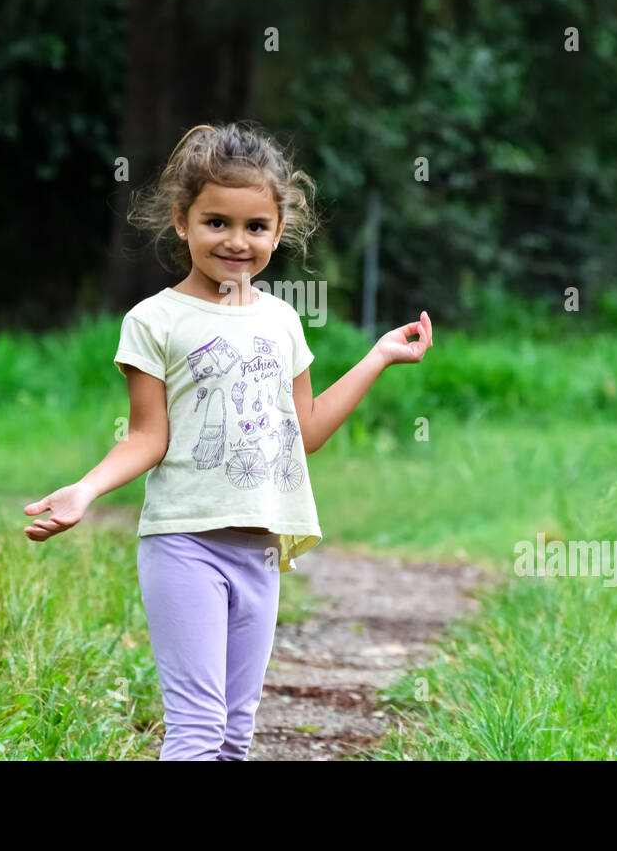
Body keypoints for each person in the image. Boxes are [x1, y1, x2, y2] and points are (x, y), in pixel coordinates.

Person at [23, 121, 433, 760]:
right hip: (184, 544)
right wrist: (87, 488)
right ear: (182, 221)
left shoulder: (282, 319)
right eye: (217, 222)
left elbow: (306, 433)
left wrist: (377, 357)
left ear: (278, 230)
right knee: (196, 730)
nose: (236, 242)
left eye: (255, 227)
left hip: (261, 550)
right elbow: (147, 437)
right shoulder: (154, 321)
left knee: (235, 737)